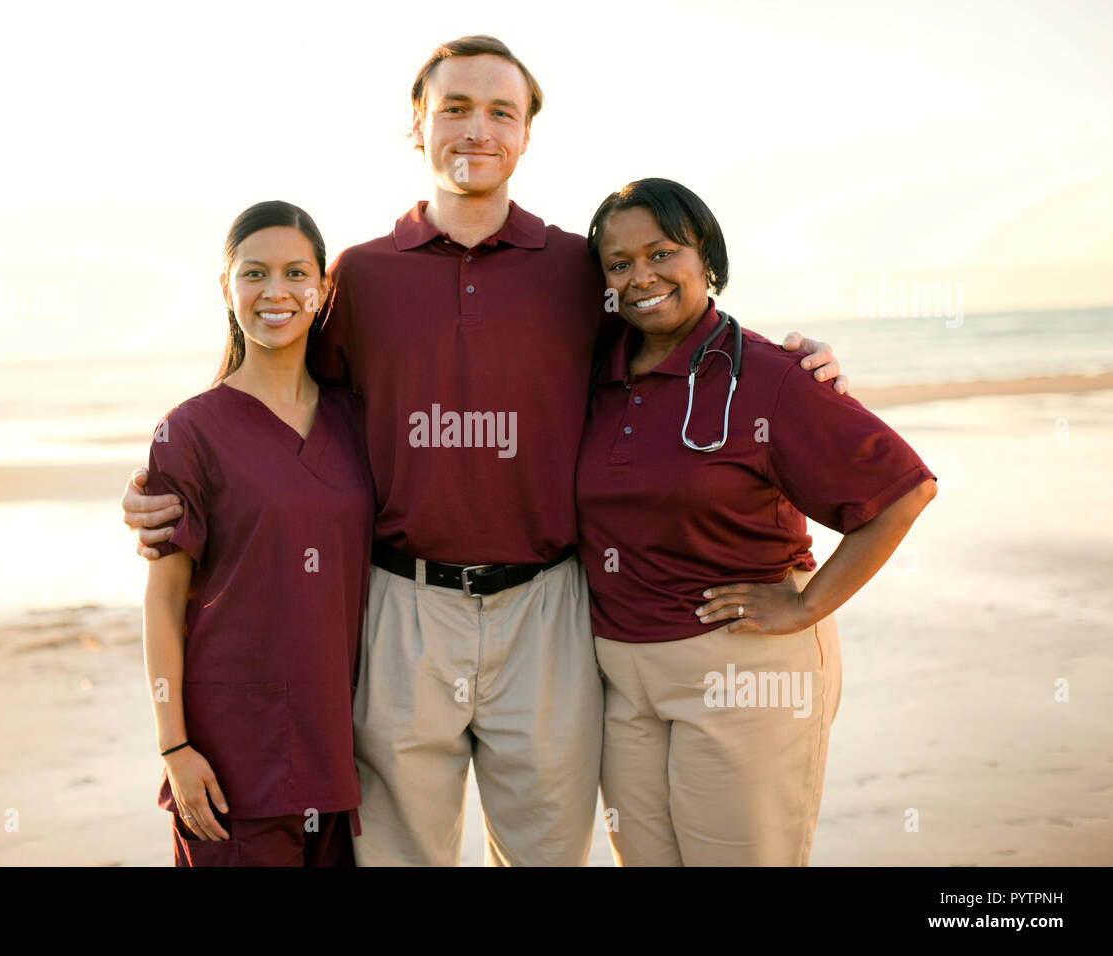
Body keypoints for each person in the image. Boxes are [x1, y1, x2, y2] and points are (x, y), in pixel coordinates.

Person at [124, 36, 846, 867]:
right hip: (403, 606)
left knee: (546, 852)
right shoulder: (359, 277)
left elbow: (676, 333)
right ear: (418, 129)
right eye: (454, 109)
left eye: (501, 111)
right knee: (400, 854)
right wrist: (166, 475)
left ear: (528, 133)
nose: (477, 129)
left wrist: (797, 363)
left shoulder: (581, 268)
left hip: (548, 606)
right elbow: (277, 397)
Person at [577, 178, 937, 866]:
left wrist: (807, 605)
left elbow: (903, 490)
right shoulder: (595, 371)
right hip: (622, 681)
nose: (641, 276)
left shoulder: (770, 376)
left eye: (661, 253)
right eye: (619, 264)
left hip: (745, 673)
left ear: (705, 257)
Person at [141, 201, 374, 866]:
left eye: (297, 273)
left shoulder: (355, 420)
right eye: (254, 274)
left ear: (323, 290)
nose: (276, 292)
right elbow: (162, 601)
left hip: (338, 750)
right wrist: (174, 747)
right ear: (226, 289)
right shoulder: (189, 431)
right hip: (232, 759)